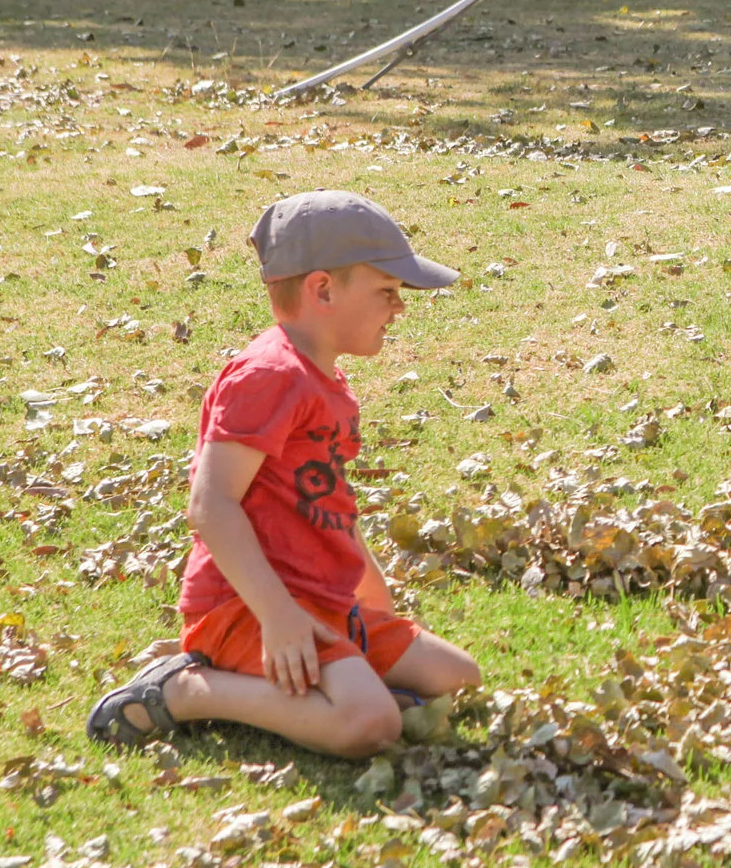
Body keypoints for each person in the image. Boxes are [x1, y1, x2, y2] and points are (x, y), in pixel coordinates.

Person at [88, 191, 481, 759]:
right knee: (369, 726)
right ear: (323, 289)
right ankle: (183, 690)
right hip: (247, 604)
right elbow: (211, 505)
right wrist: (277, 616)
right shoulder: (268, 376)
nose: (400, 308)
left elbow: (328, 504)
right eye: (387, 292)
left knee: (457, 677)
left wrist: (373, 599)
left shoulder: (325, 377)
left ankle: (305, 680)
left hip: (321, 599)